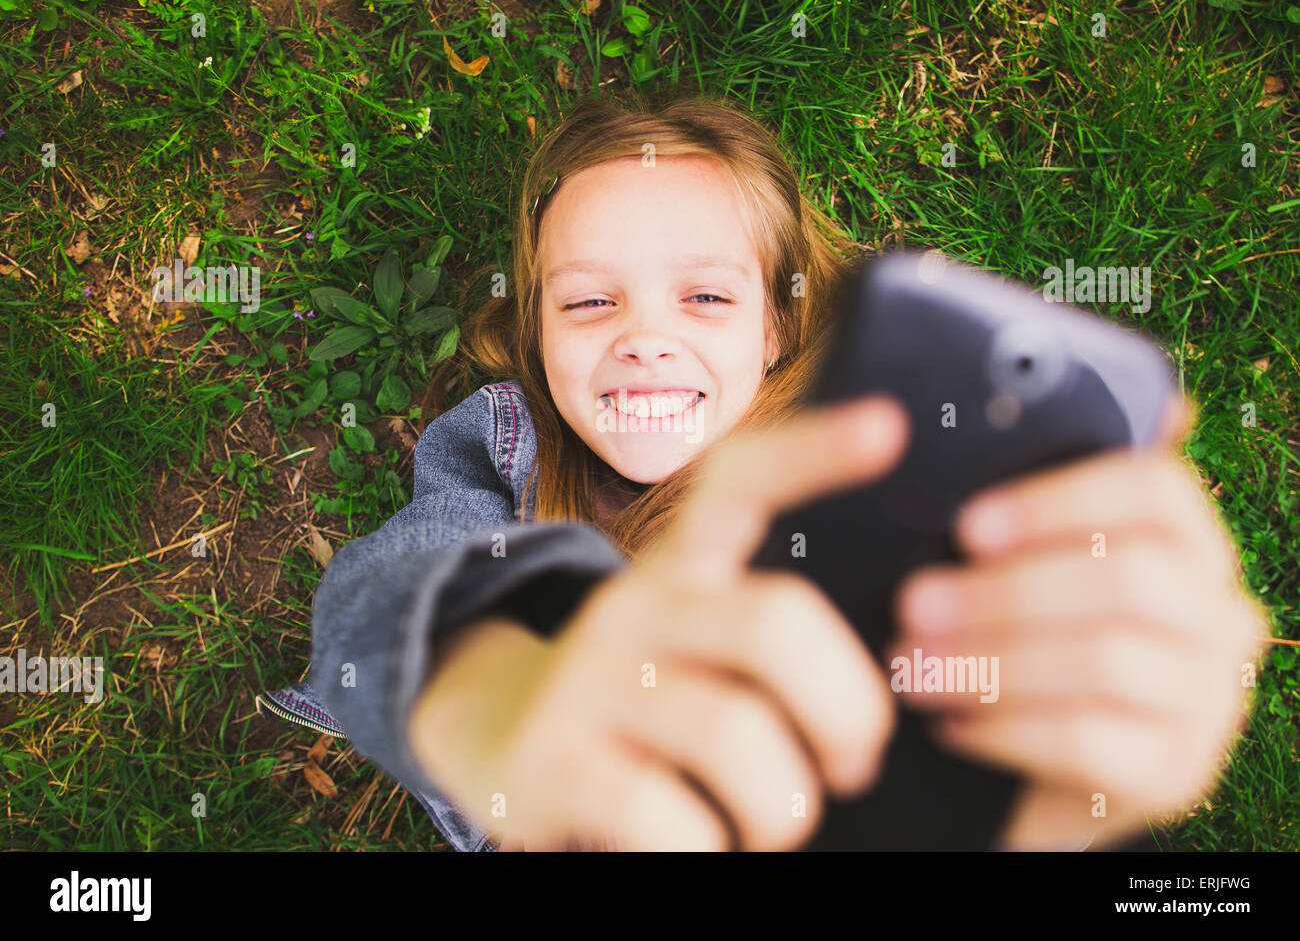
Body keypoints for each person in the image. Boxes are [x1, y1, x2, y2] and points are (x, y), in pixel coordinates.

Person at [276, 92, 1267, 851]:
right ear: (535, 334)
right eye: (586, 304)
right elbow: (380, 587)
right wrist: (497, 682)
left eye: (704, 295)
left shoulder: (878, 480)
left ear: (777, 325)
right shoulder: (504, 441)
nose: (644, 338)